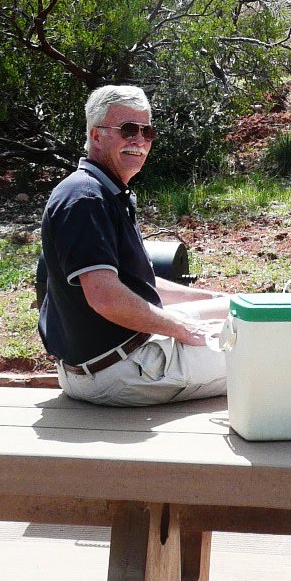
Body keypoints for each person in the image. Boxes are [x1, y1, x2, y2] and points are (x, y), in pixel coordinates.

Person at [37, 84, 229, 405]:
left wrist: (217, 297)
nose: (139, 140)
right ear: (96, 136)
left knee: (240, 309)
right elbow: (106, 297)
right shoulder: (85, 198)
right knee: (269, 352)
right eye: (127, 129)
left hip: (116, 358)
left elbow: (141, 287)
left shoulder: (104, 190)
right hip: (119, 371)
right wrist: (182, 330)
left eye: (146, 131)